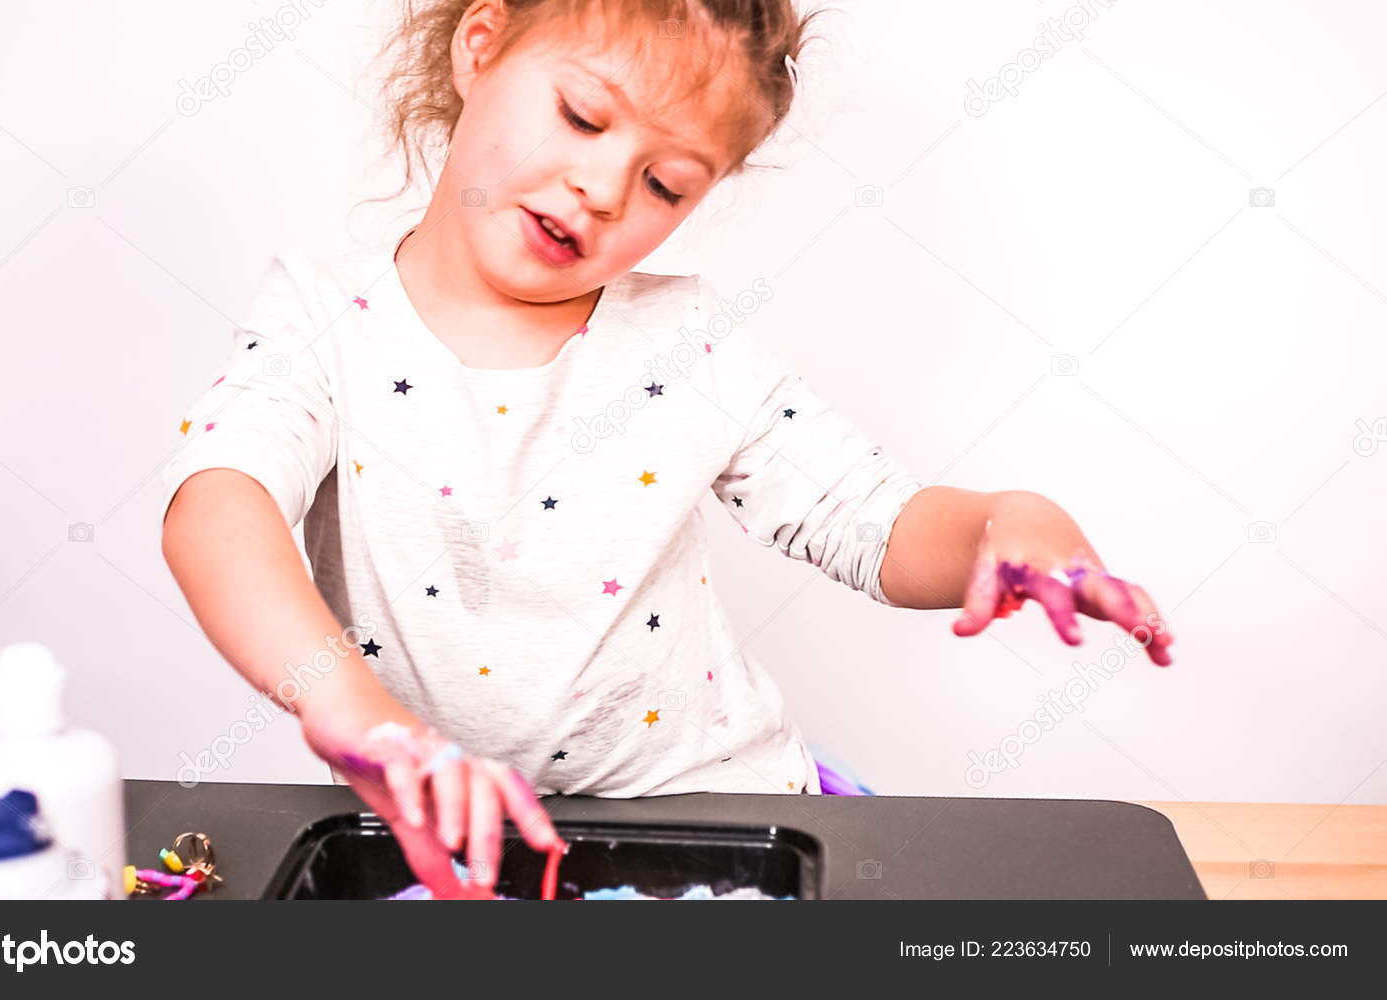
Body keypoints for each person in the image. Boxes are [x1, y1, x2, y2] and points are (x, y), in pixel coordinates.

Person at [160, 0, 1175, 899]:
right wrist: (353, 712)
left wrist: (1010, 523)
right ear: (481, 45)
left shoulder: (687, 343)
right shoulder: (325, 321)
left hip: (715, 828)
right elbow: (219, 500)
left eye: (665, 182)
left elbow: (876, 522)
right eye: (581, 117)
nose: (605, 188)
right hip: (443, 849)